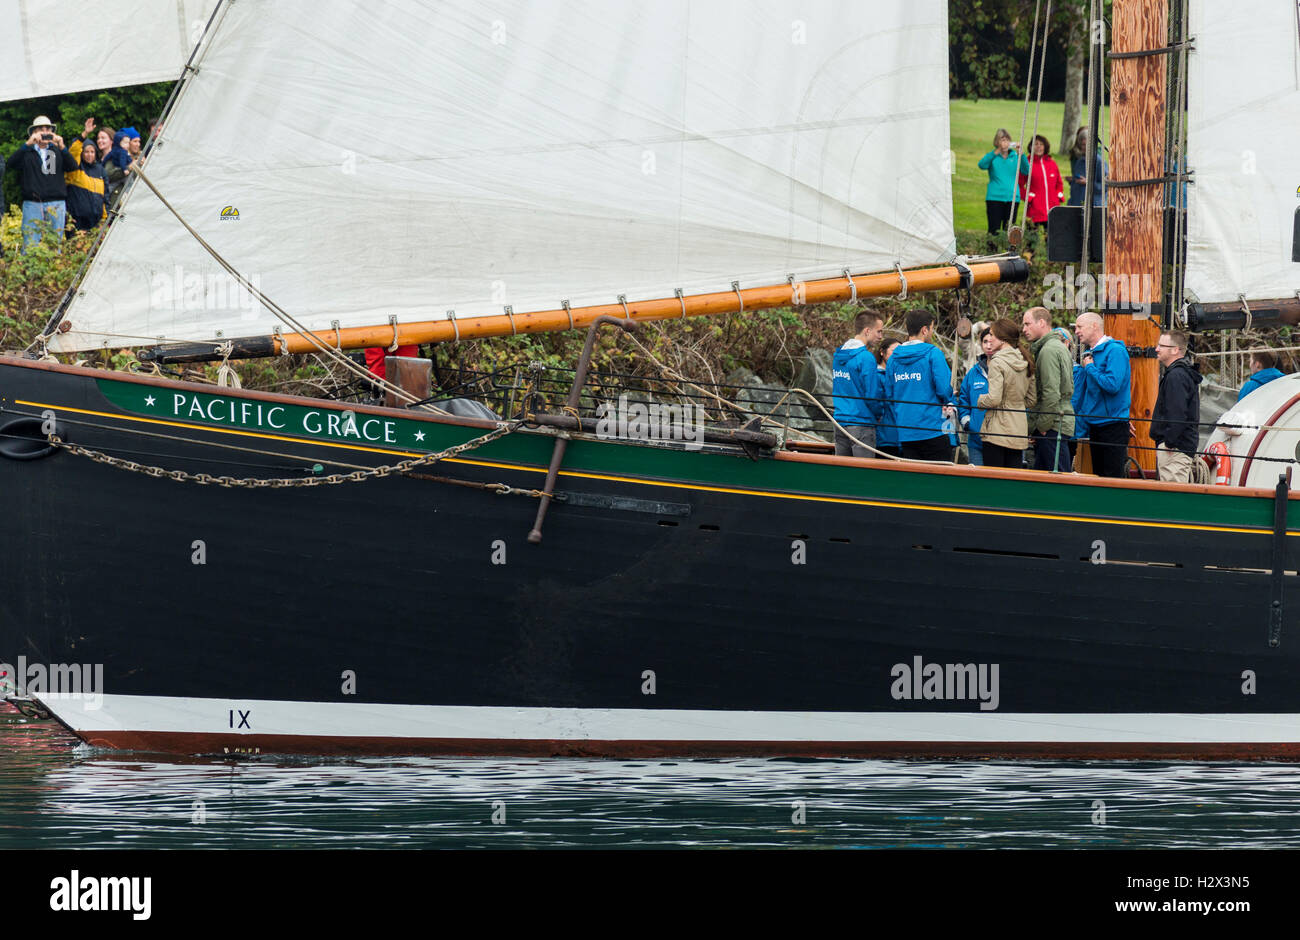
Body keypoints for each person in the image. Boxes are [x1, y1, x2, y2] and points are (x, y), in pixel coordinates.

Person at [888, 309, 954, 461]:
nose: (931, 332)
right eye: (932, 328)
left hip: (906, 430)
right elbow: (944, 389)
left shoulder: (893, 358)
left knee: (913, 479)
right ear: (925, 330)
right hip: (932, 428)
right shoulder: (933, 353)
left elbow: (889, 393)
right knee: (940, 477)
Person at [1074, 311, 1132, 478]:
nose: (1077, 331)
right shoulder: (1091, 354)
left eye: (1080, 326)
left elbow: (1113, 385)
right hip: (1095, 423)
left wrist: (1090, 368)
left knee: (1111, 477)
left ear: (1094, 326)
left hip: (1111, 424)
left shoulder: (1115, 351)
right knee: (1098, 476)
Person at [5, 115, 75, 252]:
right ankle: (29, 272)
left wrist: (62, 146)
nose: (44, 132)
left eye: (47, 129)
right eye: (40, 129)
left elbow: (72, 166)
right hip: (33, 203)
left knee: (55, 244)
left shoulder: (57, 150)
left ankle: (53, 272)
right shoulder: (27, 152)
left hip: (56, 203)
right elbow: (11, 163)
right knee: (30, 243)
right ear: (34, 132)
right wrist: (27, 144)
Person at [974, 319, 1036, 468]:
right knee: (1012, 480)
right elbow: (1032, 399)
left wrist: (980, 400)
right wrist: (1015, 403)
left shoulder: (997, 362)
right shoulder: (1026, 361)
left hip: (997, 431)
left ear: (1002, 339)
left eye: (993, 335)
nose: (990, 339)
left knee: (993, 481)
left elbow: (994, 399)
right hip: (1018, 430)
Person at [1022, 306, 1075, 471]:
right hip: (1057, 421)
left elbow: (1051, 393)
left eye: (1027, 324)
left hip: (1053, 425)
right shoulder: (1056, 346)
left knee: (1056, 478)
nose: (1024, 329)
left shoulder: (1048, 351)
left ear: (1042, 322)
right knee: (1045, 477)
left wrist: (1043, 426)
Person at [1149, 330, 1202, 483]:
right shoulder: (1178, 374)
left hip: (1175, 448)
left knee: (1172, 494)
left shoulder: (1176, 376)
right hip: (1177, 446)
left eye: (1161, 345)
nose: (1156, 349)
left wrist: (1170, 443)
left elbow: (1177, 411)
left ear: (1175, 350)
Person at [831, 310, 885, 457]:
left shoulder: (838, 356)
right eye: (879, 332)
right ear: (867, 331)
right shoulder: (865, 358)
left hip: (840, 421)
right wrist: (879, 413)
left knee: (842, 471)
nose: (881, 336)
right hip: (861, 422)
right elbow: (872, 393)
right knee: (864, 473)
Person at [954, 328, 993, 466]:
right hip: (976, 440)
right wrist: (967, 423)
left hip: (1002, 440)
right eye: (985, 341)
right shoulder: (973, 373)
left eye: (992, 341)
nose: (988, 345)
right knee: (978, 483)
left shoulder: (1008, 370)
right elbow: (964, 400)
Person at [978, 129, 1022, 238]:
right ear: (997, 142)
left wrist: (1021, 153)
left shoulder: (1015, 157)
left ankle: (1008, 253)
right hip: (995, 198)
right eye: (1002, 140)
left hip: (1012, 198)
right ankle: (992, 251)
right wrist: (996, 152)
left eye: (1007, 140)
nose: (1005, 143)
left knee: (1009, 231)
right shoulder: (993, 157)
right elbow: (982, 165)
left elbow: (1026, 170)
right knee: (994, 230)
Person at [1017, 135, 1064, 231]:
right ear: (1031, 147)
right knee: (1032, 238)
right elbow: (1019, 184)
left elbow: (1059, 183)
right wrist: (1028, 197)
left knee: (1052, 238)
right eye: (1035, 144)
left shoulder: (1052, 163)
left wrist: (1058, 195)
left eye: (1041, 144)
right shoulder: (1026, 163)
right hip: (1034, 208)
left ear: (1045, 146)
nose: (1038, 147)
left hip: (1052, 207)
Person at [64, 135, 108, 231]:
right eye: (86, 152)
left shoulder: (100, 170)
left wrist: (104, 219)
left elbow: (105, 197)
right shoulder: (75, 169)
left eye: (92, 152)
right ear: (82, 153)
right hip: (76, 220)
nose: (89, 155)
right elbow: (73, 152)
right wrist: (82, 136)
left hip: (96, 221)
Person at [876, 337, 903, 458]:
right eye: (894, 351)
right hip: (884, 435)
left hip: (901, 435)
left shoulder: (900, 376)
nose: (897, 355)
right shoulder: (877, 375)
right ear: (882, 352)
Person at [1067, 126, 1107, 207]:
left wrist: (1088, 183)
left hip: (1094, 205)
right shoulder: (1079, 162)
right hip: (1077, 204)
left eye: (1088, 144)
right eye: (1083, 145)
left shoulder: (1099, 162)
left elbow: (1105, 186)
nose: (1085, 147)